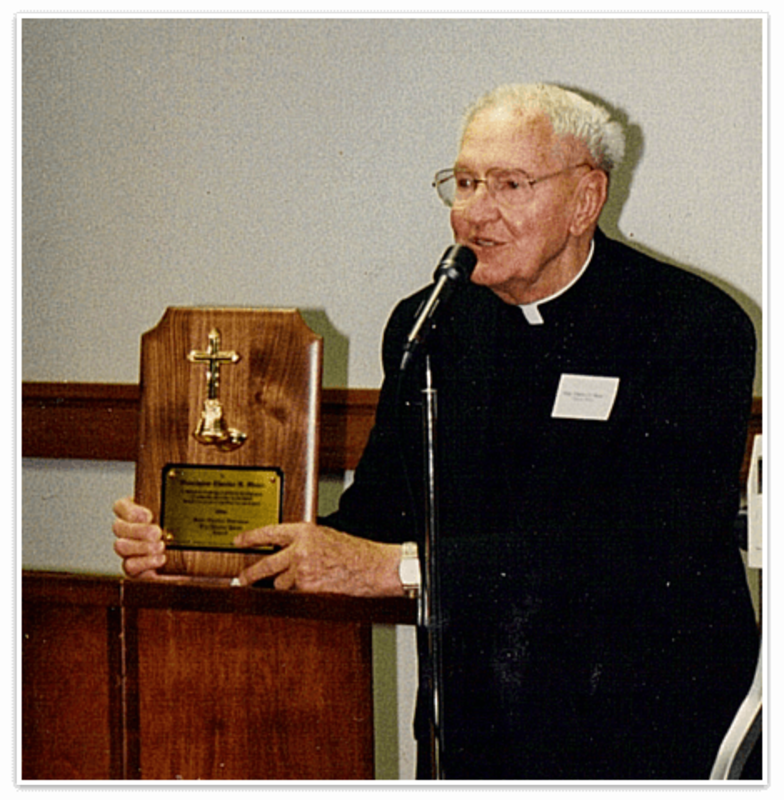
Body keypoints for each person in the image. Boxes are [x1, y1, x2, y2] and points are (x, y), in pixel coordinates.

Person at [113, 83, 759, 780]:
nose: (476, 212)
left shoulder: (691, 325)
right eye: (466, 182)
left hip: (648, 726)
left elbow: (648, 545)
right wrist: (199, 547)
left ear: (585, 200)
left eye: (510, 184)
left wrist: (399, 568)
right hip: (474, 724)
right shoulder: (432, 323)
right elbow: (376, 517)